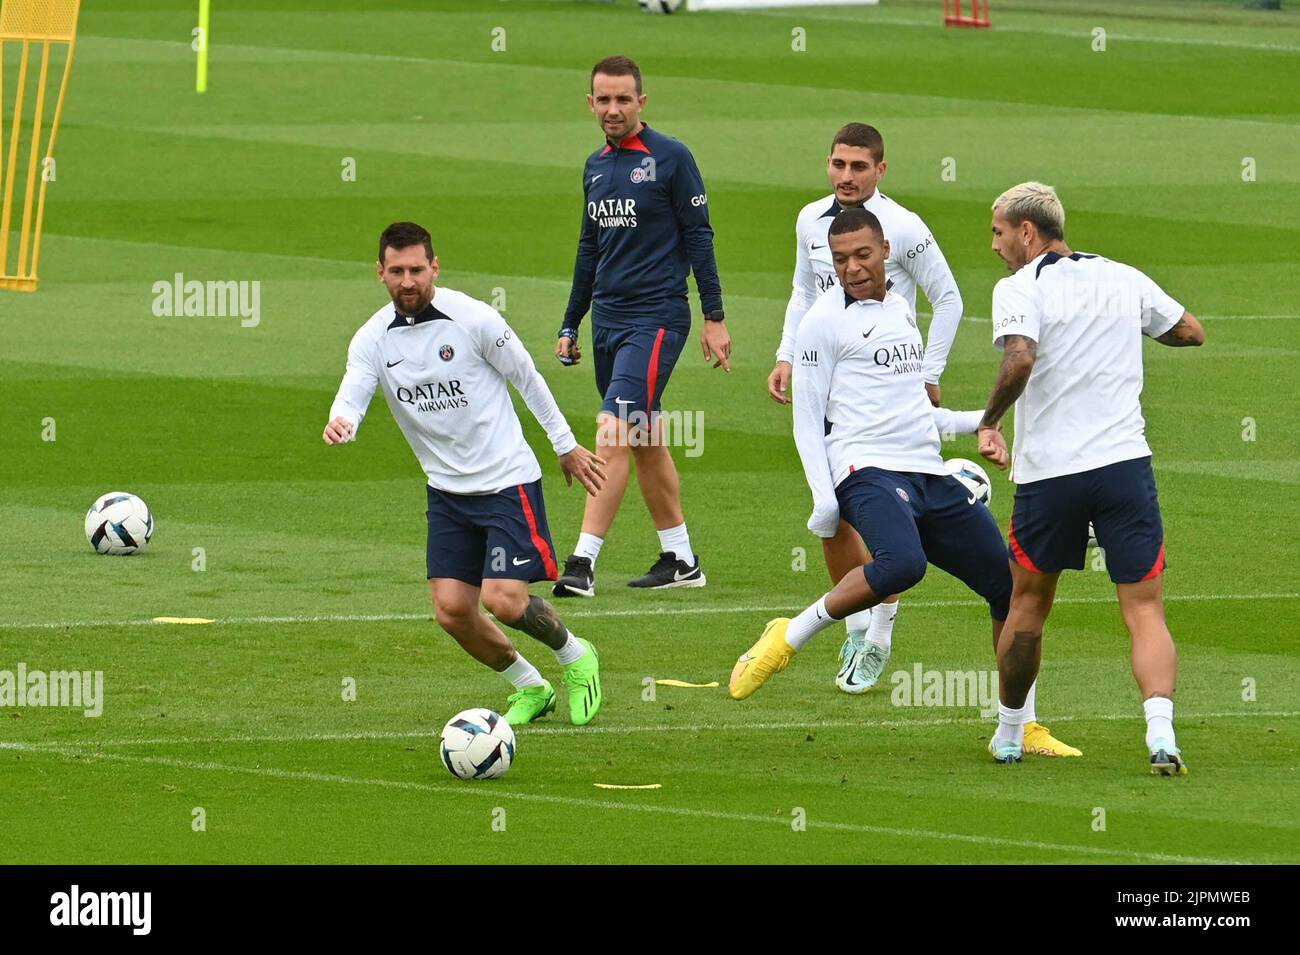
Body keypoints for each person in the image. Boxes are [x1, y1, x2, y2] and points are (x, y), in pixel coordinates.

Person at [729, 209, 1082, 765]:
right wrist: (824, 504)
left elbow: (915, 411)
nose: (852, 268)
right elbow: (807, 418)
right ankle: (787, 637)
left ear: (885, 249)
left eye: (862, 255)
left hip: (926, 469)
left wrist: (981, 425)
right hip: (864, 469)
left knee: (1009, 589)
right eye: (840, 259)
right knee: (901, 564)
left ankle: (1018, 727)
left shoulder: (899, 309)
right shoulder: (822, 320)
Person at [324, 221, 608, 726]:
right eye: (396, 271)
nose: (407, 281)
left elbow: (528, 377)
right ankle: (531, 687)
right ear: (380, 273)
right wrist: (343, 419)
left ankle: (574, 655)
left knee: (503, 598)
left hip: (506, 482)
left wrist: (565, 446)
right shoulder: (372, 338)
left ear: (435, 266)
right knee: (453, 610)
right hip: (447, 494)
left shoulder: (474, 318)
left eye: (416, 269)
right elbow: (355, 388)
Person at [976, 182, 1205, 772]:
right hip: (1124, 466)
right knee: (1145, 610)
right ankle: (1161, 737)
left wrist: (990, 422)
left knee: (1027, 606)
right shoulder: (1123, 277)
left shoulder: (1017, 288)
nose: (995, 245)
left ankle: (1008, 733)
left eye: (999, 232)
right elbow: (1189, 331)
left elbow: (1020, 357)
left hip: (1051, 475)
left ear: (1028, 231)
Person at [766, 122, 965, 694]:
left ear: (881, 169)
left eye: (858, 167)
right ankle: (858, 627)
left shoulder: (904, 226)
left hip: (883, 394)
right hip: (826, 372)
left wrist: (928, 373)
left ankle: (880, 627)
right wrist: (786, 354)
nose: (846, 177)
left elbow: (948, 298)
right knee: (830, 513)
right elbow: (803, 292)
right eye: (837, 165)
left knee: (874, 517)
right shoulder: (809, 219)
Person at [551, 55, 730, 597]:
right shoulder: (595, 166)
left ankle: (582, 563)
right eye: (603, 100)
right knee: (646, 435)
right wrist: (570, 322)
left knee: (613, 430)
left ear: (641, 102)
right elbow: (589, 247)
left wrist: (714, 317)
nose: (612, 109)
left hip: (655, 321)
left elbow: (700, 235)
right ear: (590, 103)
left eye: (623, 99)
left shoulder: (672, 158)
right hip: (607, 320)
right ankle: (680, 559)